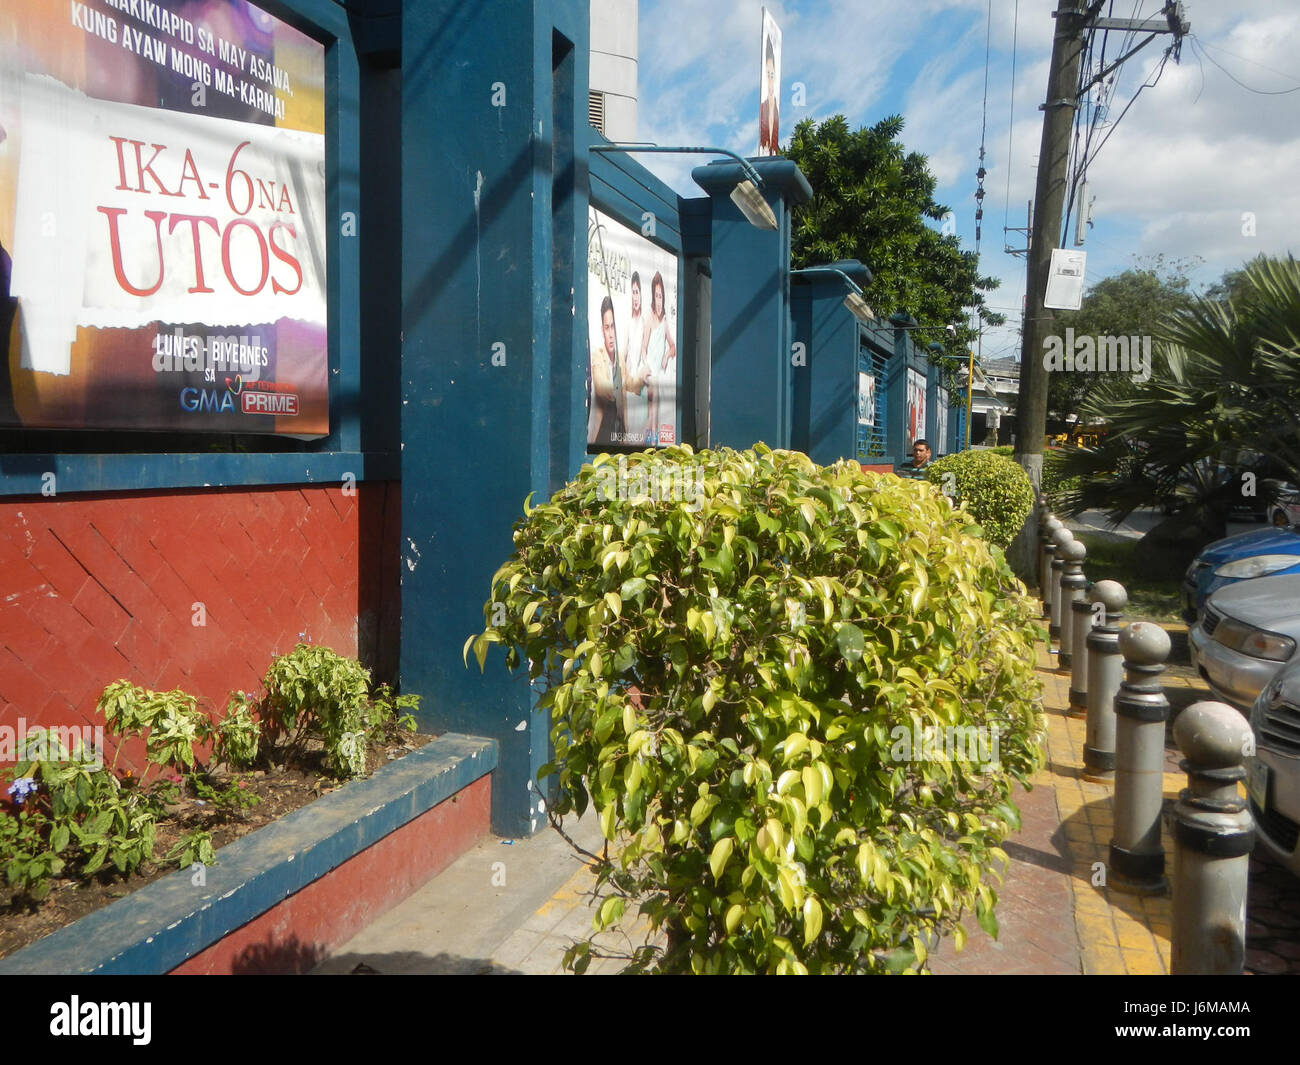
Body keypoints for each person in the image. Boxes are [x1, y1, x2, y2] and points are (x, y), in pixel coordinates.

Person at [639, 271, 676, 443]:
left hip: (659, 374)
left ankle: (649, 439)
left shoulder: (665, 321)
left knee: (654, 408)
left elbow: (673, 346)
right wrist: (647, 366)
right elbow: (643, 348)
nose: (659, 300)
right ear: (653, 297)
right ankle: (650, 439)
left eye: (661, 296)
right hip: (650, 372)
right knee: (653, 400)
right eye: (656, 296)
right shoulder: (648, 319)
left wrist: (667, 356)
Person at [587, 296, 626, 445]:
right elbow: (599, 385)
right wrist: (617, 387)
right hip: (601, 438)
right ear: (602, 330)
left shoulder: (620, 359)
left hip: (618, 439)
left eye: (613, 326)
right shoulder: (598, 355)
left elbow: (631, 385)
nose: (610, 334)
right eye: (607, 327)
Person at [622, 272, 650, 443]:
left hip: (642, 392)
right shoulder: (627, 323)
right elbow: (623, 357)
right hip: (629, 392)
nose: (635, 297)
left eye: (637, 291)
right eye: (632, 292)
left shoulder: (645, 322)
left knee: (640, 444)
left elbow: (646, 358)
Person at [759, 36, 779, 155]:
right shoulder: (762, 108)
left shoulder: (777, 111)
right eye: (767, 74)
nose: (770, 80)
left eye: (772, 75)